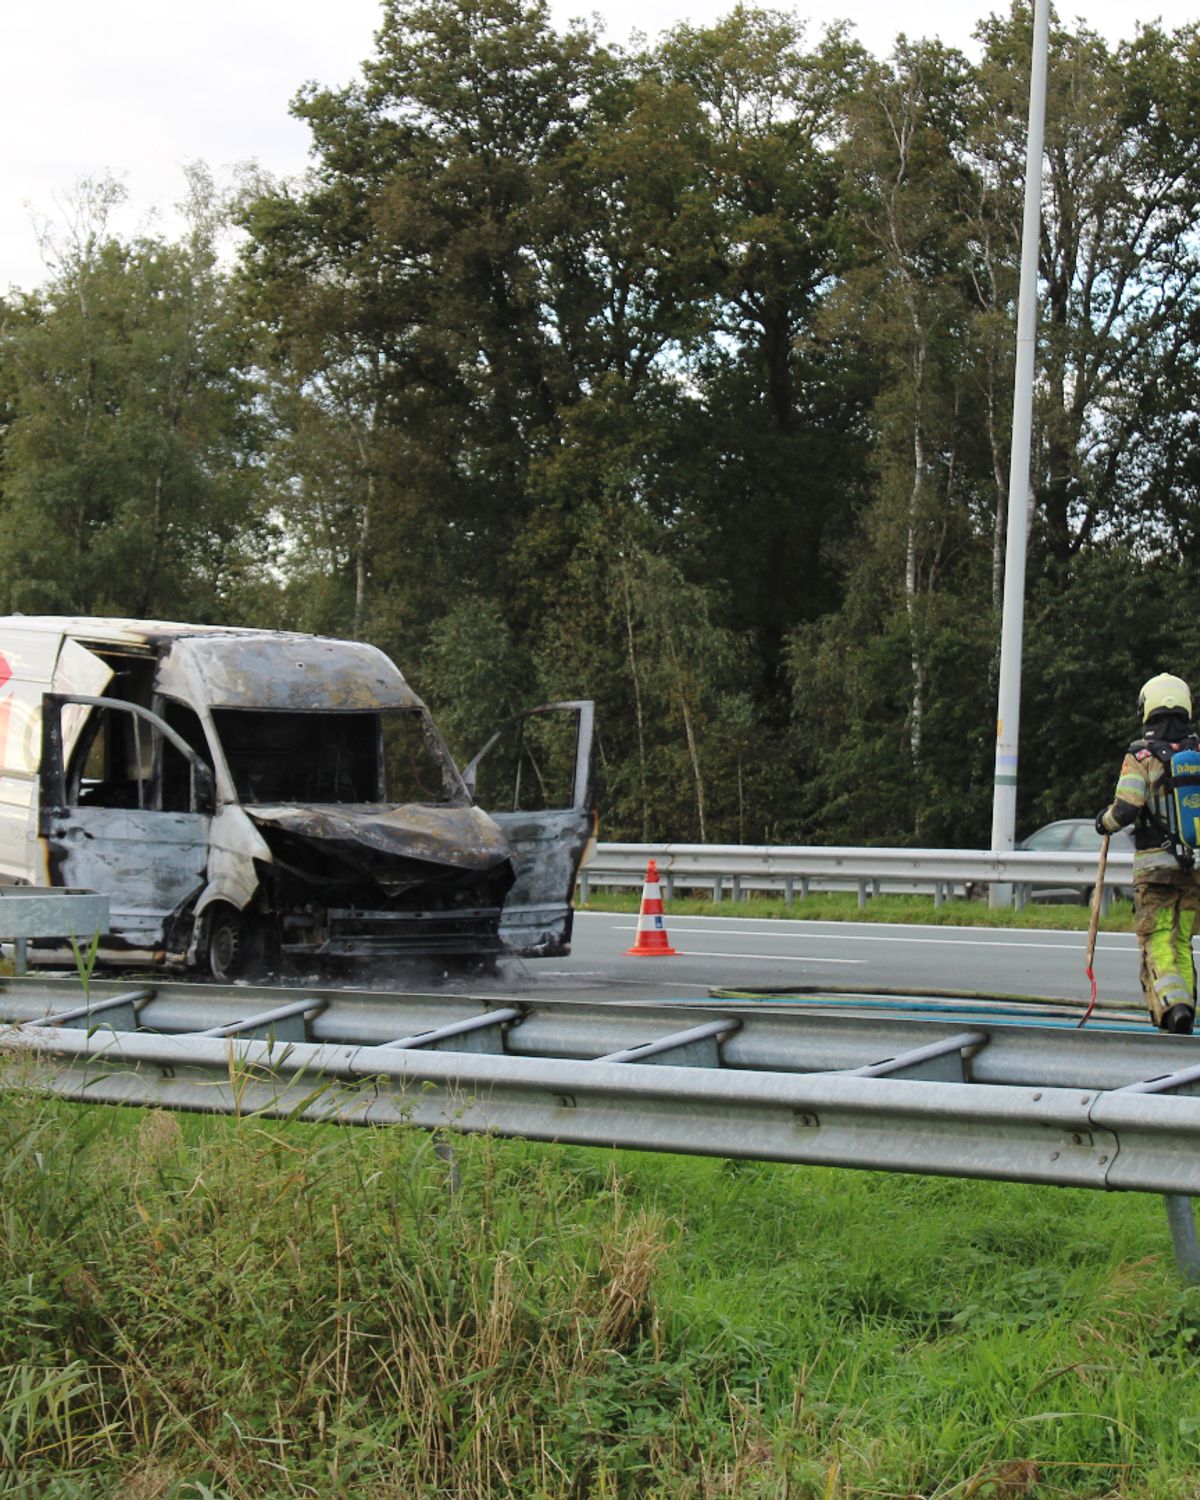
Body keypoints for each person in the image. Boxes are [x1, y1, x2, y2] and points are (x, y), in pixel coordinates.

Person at [1096, 672, 1200, 1034]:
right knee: (1183, 939)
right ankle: (1185, 1006)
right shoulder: (1198, 753)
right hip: (1195, 870)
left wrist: (1103, 823)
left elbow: (1125, 810)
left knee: (1157, 938)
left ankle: (1175, 1005)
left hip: (1155, 870)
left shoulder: (1140, 755)